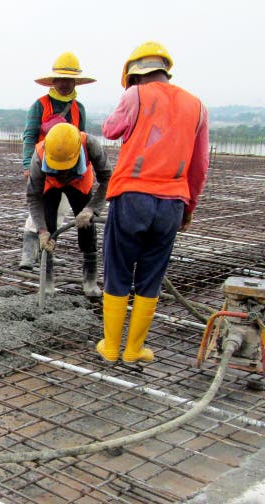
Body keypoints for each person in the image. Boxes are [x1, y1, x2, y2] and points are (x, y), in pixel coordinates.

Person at [96, 41, 209, 364]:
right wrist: (189, 208)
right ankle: (134, 350)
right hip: (173, 202)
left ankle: (111, 347)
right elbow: (200, 166)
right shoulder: (197, 106)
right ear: (165, 70)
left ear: (133, 75)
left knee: (118, 269)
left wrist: (129, 103)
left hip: (132, 197)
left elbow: (111, 129)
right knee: (152, 275)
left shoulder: (136, 95)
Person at [20, 52, 95, 270]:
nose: (64, 84)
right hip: (44, 165)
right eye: (60, 79)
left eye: (69, 80)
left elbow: (82, 139)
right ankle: (29, 255)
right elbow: (30, 136)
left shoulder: (78, 108)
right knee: (40, 210)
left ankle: (47, 253)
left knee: (59, 212)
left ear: (75, 82)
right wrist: (28, 164)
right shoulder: (41, 105)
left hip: (70, 170)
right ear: (53, 81)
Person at [27, 123, 110, 297]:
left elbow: (108, 179)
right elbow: (34, 196)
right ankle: (47, 283)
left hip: (80, 184)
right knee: (48, 229)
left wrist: (92, 209)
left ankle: (90, 281)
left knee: (87, 228)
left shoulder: (90, 144)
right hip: (50, 186)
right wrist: (41, 230)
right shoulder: (39, 155)